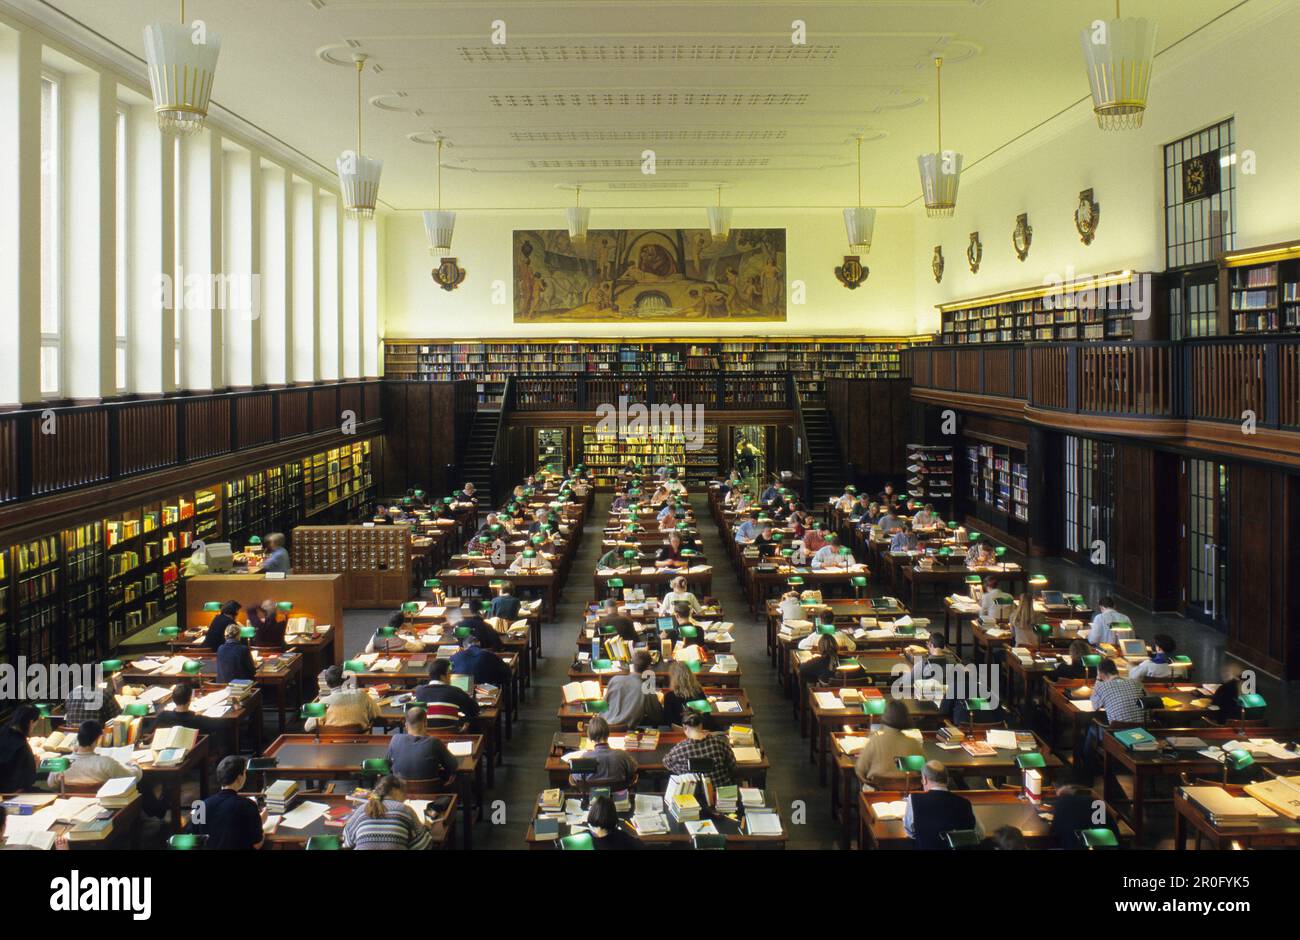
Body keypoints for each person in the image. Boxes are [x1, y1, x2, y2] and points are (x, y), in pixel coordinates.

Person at [1076, 658, 1145, 780]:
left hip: (1116, 734)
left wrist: (1098, 681)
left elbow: (1095, 705)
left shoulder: (1103, 687)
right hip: (1141, 732)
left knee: (1092, 726)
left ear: (1101, 674)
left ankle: (1088, 771)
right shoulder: (1136, 683)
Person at [191, 755, 264, 850]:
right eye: (245, 773)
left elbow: (192, 839)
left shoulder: (201, 807)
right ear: (239, 778)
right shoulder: (248, 806)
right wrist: (261, 824)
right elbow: (257, 844)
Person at [342, 775, 432, 850]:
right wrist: (426, 828)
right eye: (404, 792)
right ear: (395, 791)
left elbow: (347, 841)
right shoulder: (405, 809)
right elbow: (423, 845)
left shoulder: (362, 808)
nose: (405, 797)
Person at [903, 761, 980, 849]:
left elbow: (910, 832)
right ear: (947, 780)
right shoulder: (965, 803)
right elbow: (979, 834)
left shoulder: (914, 799)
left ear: (924, 779)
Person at [854, 700, 925, 785]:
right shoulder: (914, 744)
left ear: (885, 716)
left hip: (877, 792)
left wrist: (866, 783)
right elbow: (924, 770)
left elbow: (860, 769)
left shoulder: (875, 741)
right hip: (907, 791)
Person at [55, 720, 142, 788]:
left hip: (70, 804)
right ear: (98, 739)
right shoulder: (106, 763)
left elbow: (51, 784)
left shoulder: (61, 763)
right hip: (104, 805)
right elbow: (132, 778)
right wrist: (135, 765)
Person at [663, 711, 737, 788]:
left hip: (693, 794)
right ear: (701, 725)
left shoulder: (680, 749)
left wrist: (682, 771)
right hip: (722, 792)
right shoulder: (719, 743)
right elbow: (733, 766)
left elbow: (666, 762)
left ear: (684, 727)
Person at [386, 707, 458, 782]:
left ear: (406, 725)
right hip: (431, 792)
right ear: (426, 723)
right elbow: (454, 765)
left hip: (401, 792)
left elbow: (387, 765)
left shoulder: (395, 739)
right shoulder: (434, 742)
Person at [567, 716, 638, 790]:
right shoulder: (622, 755)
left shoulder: (585, 757)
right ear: (608, 733)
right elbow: (634, 768)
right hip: (619, 796)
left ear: (590, 737)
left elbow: (576, 778)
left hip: (592, 798)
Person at [310, 664, 380, 731]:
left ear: (327, 684)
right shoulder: (361, 694)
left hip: (332, 741)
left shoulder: (323, 702)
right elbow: (377, 713)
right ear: (346, 680)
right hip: (361, 740)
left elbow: (308, 727)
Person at [1047, 784, 1117, 849]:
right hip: (1106, 843)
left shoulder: (1063, 802)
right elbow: (1114, 816)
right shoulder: (1095, 802)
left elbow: (1054, 834)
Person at [603, 650, 659, 728]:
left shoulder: (615, 680)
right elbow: (657, 717)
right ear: (649, 668)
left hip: (605, 728)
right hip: (625, 732)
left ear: (633, 665)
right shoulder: (646, 688)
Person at [413, 659, 479, 722]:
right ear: (442, 676)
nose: (451, 677)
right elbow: (475, 710)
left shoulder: (419, 691)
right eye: (449, 674)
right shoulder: (455, 691)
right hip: (452, 732)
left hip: (427, 732)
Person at [0, 705, 39, 793]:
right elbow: (28, 780)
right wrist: (34, 765)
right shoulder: (22, 747)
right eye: (34, 726)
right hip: (11, 793)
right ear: (31, 722)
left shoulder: (3, 731)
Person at [661, 660, 708, 728]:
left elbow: (668, 720)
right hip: (698, 729)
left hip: (678, 732)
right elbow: (706, 715)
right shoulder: (699, 692)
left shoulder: (670, 696)